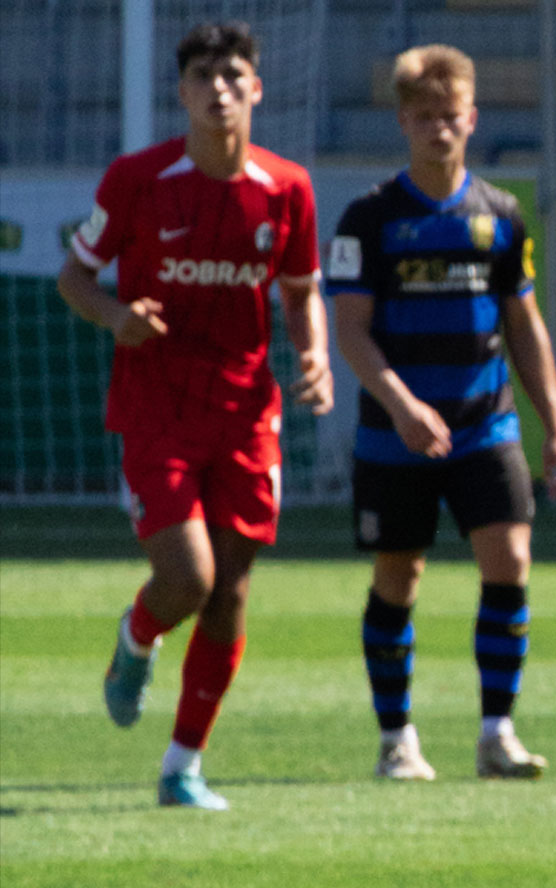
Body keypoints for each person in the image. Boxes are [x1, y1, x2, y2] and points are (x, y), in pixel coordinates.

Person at [57, 20, 332, 811]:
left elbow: (301, 288)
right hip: (156, 407)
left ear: (256, 88)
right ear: (181, 93)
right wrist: (116, 317)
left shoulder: (288, 188)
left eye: (233, 73)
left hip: (246, 411)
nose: (219, 88)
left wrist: (312, 354)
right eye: (204, 75)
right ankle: (138, 634)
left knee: (231, 594)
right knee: (186, 578)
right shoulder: (138, 180)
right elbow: (75, 277)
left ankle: (182, 765)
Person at [325, 46, 556, 782]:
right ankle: (395, 738)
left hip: (484, 424)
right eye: (424, 117)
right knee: (399, 575)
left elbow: (524, 328)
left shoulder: (499, 215)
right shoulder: (369, 219)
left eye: (451, 116)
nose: (440, 129)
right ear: (403, 121)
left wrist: (555, 426)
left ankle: (497, 733)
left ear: (472, 119)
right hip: (395, 434)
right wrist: (402, 406)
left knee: (512, 561)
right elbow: (351, 330)